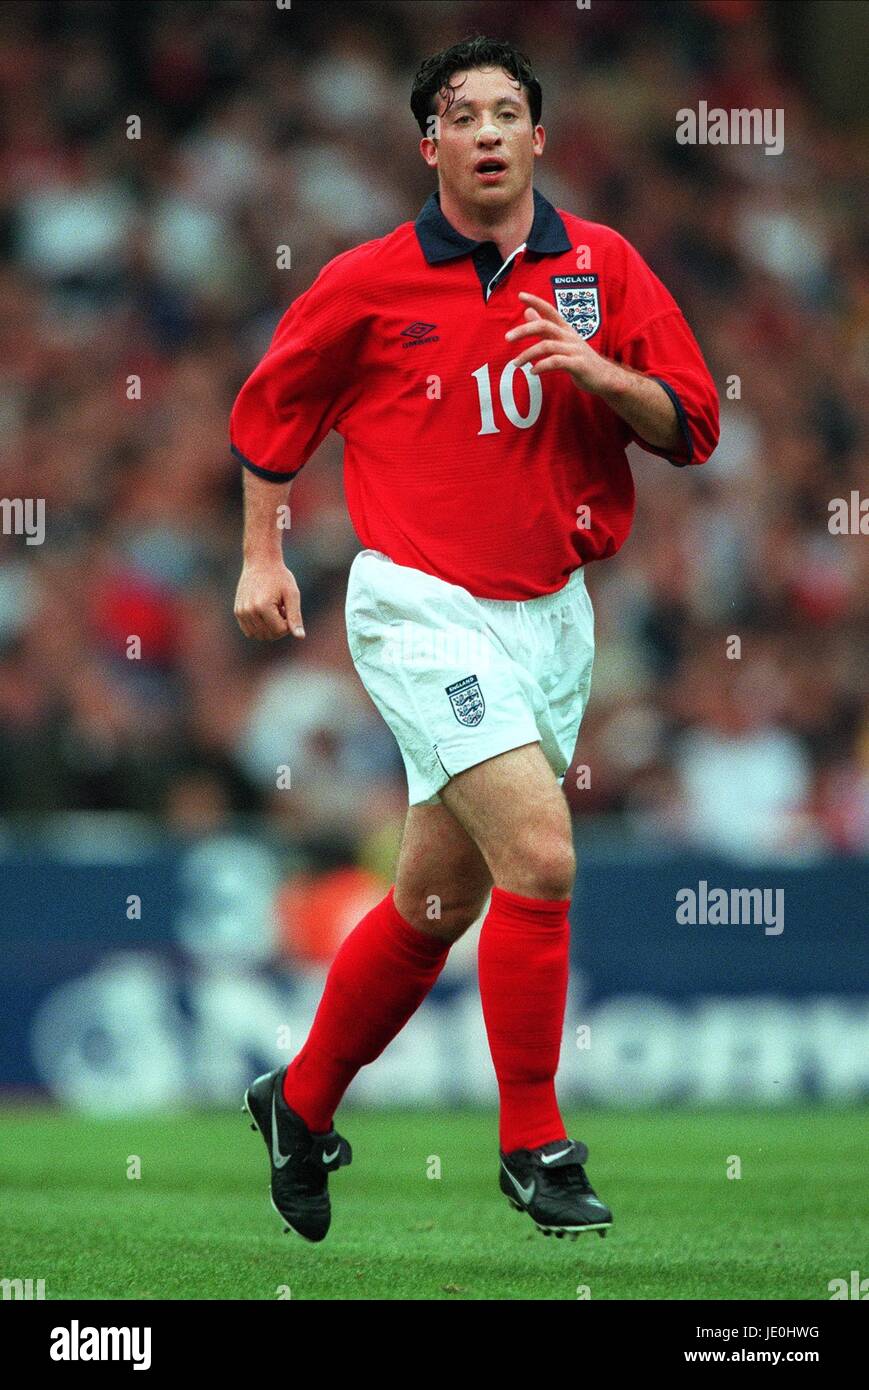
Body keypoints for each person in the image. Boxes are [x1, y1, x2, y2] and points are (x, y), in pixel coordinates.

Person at [231, 36, 719, 1243]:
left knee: (436, 902)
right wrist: (257, 553)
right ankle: (532, 1145)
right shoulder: (367, 279)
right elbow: (273, 409)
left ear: (538, 138)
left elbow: (691, 423)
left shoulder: (601, 267)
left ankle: (297, 1103)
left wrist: (602, 375)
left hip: (551, 615)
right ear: (429, 144)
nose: (489, 131)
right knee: (541, 859)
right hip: (417, 607)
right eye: (465, 115)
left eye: (510, 111)